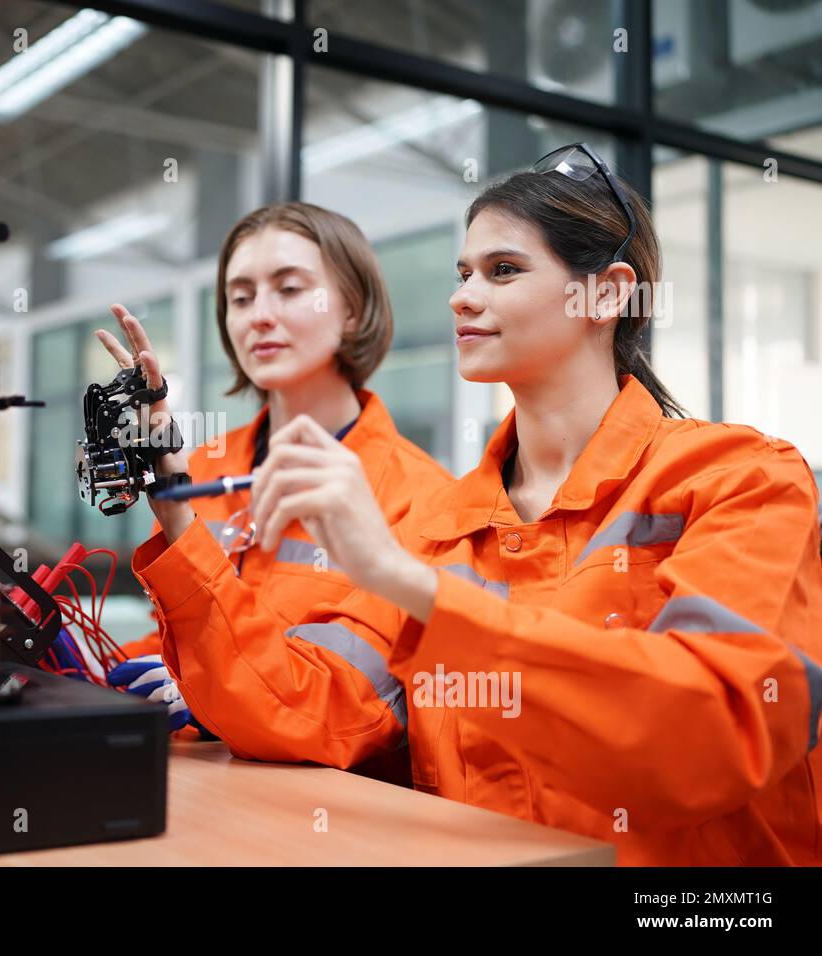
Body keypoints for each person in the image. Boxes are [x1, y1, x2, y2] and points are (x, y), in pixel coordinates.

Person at [139, 143, 822, 865]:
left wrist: (405, 581)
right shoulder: (444, 527)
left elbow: (705, 739)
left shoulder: (743, 479)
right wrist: (175, 516)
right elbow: (316, 710)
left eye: (504, 271)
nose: (463, 296)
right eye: (463, 273)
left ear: (606, 293)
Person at [95, 202, 451, 768]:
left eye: (289, 289)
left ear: (354, 311)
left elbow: (330, 715)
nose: (258, 315)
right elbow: (174, 647)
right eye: (240, 297)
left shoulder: (425, 500)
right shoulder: (203, 467)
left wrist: (198, 688)